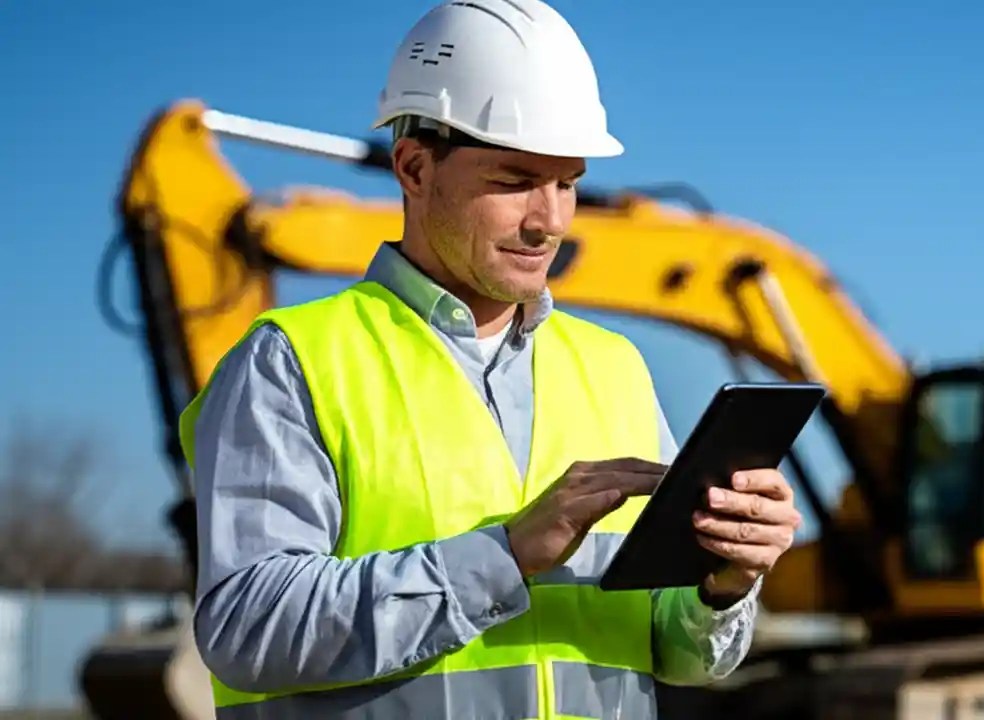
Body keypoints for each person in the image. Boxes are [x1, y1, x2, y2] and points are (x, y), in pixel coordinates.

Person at [178, 0, 803, 717]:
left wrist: (722, 582)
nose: (550, 222)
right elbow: (246, 629)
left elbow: (679, 653)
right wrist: (503, 556)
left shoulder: (614, 368)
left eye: (566, 181)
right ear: (413, 168)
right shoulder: (293, 362)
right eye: (513, 181)